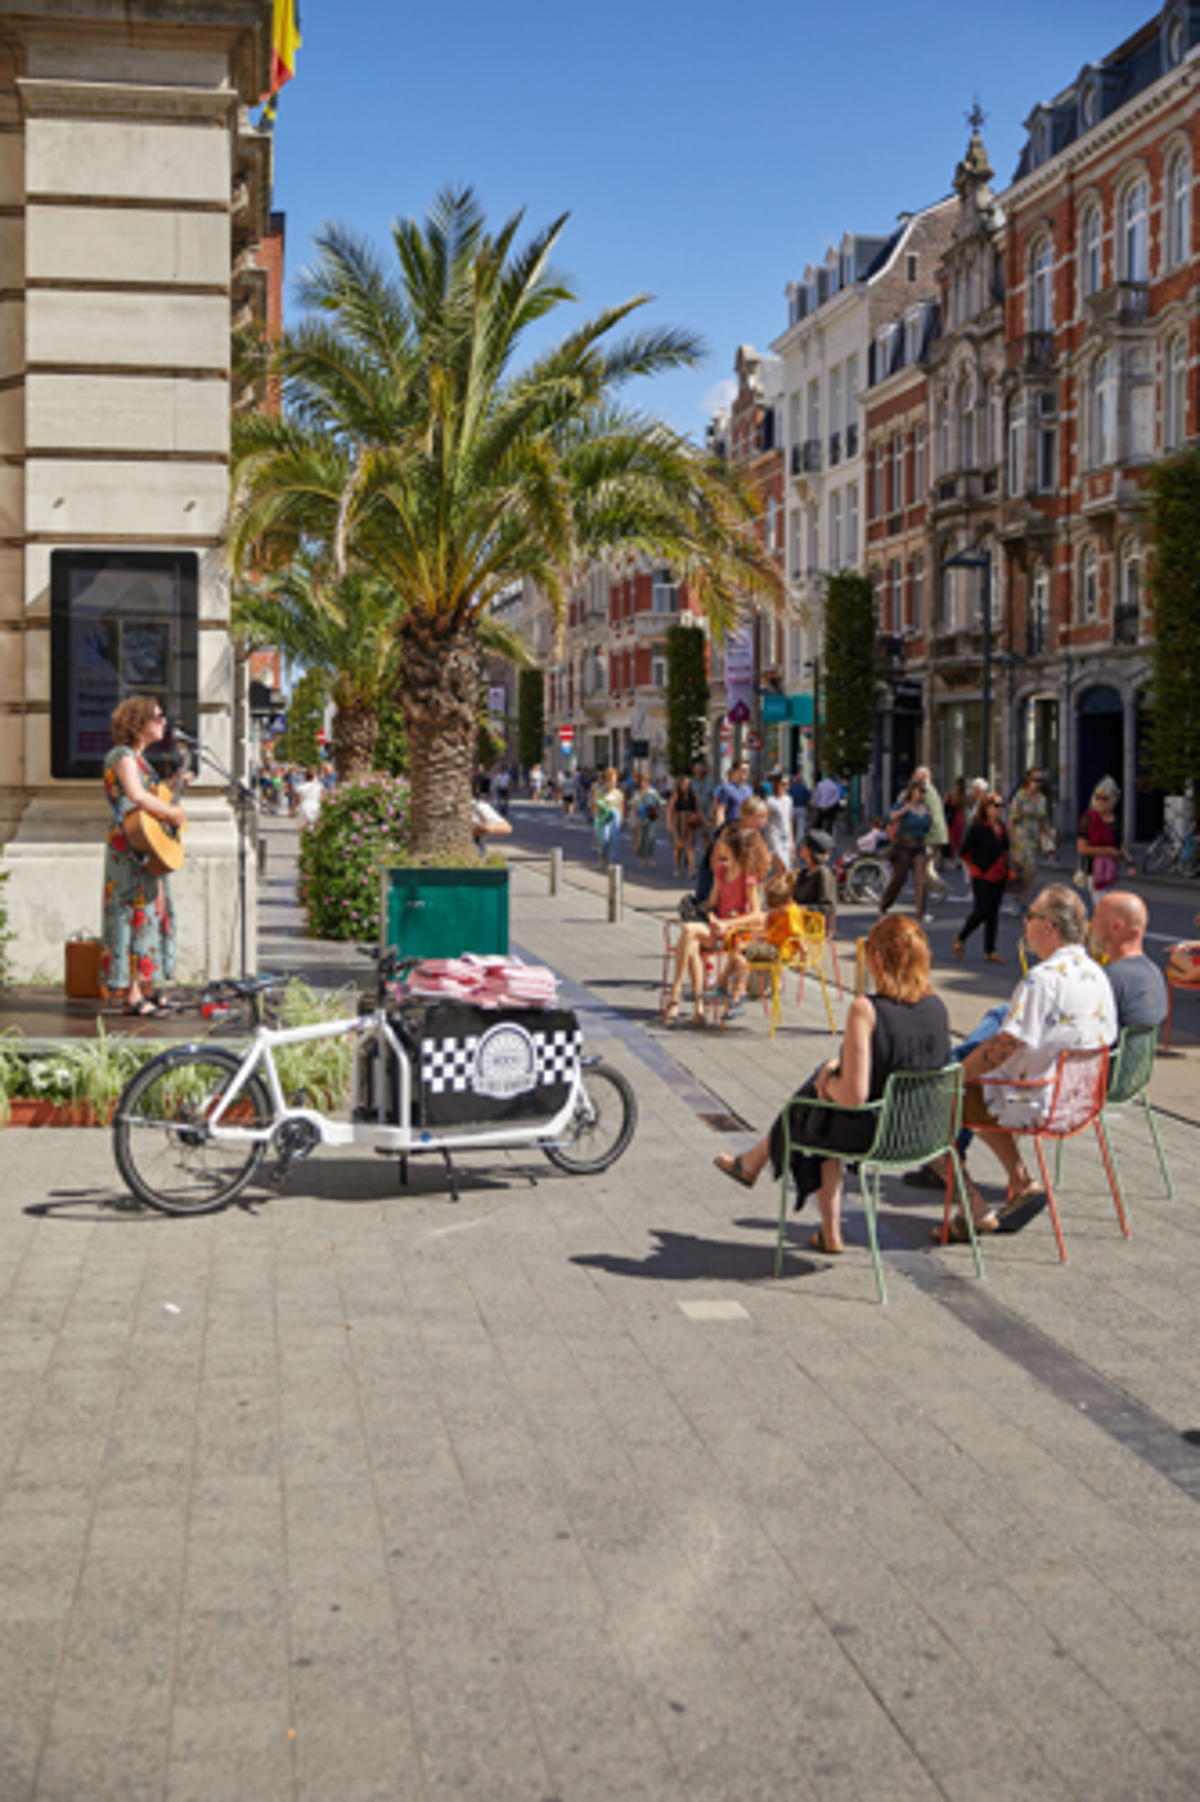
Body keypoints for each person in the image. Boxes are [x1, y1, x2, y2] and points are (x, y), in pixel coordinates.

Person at [712, 914, 950, 1254]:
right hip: (924, 1133)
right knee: (817, 1095)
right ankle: (754, 1162)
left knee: (814, 1109)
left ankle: (814, 1216)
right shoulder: (937, 1007)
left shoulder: (866, 1009)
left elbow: (854, 1097)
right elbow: (905, 1066)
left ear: (878, 959)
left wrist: (827, 1081)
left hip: (877, 1135)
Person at [943, 884, 1117, 1238]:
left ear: (1048, 927)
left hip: (1038, 1099)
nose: (1025, 923)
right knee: (977, 1088)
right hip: (1081, 1100)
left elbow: (1008, 1042)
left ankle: (971, 1209)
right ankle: (1020, 1183)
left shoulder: (1044, 979)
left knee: (942, 1099)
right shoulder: (1096, 973)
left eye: (1031, 916)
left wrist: (957, 1075)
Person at [101, 694, 186, 1017]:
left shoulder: (140, 761)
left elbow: (149, 796)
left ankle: (147, 988)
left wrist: (173, 788)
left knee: (151, 911)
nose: (164, 722)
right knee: (133, 912)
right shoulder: (122, 755)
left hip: (142, 845)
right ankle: (132, 994)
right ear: (140, 723)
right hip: (129, 846)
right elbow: (136, 796)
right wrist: (172, 813)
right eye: (158, 716)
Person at [662, 825, 764, 1027]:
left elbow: (757, 915)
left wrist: (725, 923)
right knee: (688, 931)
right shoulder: (721, 869)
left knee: (689, 943)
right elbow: (711, 902)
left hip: (736, 932)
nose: (720, 845)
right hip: (718, 928)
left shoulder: (747, 875)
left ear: (733, 847)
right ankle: (679, 994)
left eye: (724, 841)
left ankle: (687, 1004)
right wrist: (708, 915)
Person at [1090, 890, 1168, 1028]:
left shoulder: (1109, 978)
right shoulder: (1155, 973)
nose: (1092, 923)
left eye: (1097, 916)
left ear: (1116, 926)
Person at [952, 791, 1009, 963]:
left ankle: (990, 950)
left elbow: (1005, 850)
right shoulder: (977, 828)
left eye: (1001, 806)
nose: (999, 809)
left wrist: (1009, 869)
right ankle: (961, 937)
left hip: (999, 874)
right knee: (982, 910)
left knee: (993, 913)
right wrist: (975, 868)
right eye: (996, 805)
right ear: (986, 807)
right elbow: (965, 852)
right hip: (982, 874)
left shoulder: (1002, 827)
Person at [879, 778, 932, 917]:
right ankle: (885, 903)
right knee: (899, 878)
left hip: (919, 845)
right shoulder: (903, 805)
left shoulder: (925, 809)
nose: (921, 794)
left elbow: (928, 828)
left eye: (923, 791)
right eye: (919, 790)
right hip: (903, 845)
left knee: (921, 880)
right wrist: (902, 811)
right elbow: (887, 818)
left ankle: (921, 912)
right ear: (912, 791)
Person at [1077, 778, 1134, 902]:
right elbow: (1082, 848)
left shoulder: (1116, 820)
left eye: (1104, 798)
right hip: (1093, 871)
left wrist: (1130, 863)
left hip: (1111, 869)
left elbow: (1119, 845)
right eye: (1097, 797)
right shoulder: (1088, 818)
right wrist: (1106, 851)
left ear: (1113, 800)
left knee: (1107, 907)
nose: (1100, 801)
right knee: (1102, 906)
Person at [1008, 769, 1051, 905]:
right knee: (1030, 869)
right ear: (1028, 780)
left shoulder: (1042, 799)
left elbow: (1043, 820)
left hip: (1034, 838)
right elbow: (1012, 820)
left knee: (1029, 872)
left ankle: (1019, 898)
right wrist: (1009, 841)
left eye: (1040, 781)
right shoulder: (1020, 797)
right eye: (1035, 780)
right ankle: (1024, 899)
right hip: (1020, 838)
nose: (1038, 783)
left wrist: (1050, 837)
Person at [912, 766, 948, 901]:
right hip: (937, 834)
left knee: (924, 866)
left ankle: (942, 888)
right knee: (926, 865)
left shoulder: (924, 790)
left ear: (921, 777)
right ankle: (924, 893)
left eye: (915, 776)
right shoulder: (932, 789)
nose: (914, 779)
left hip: (931, 835)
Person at [791, 828, 838, 923]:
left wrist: (806, 908)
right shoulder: (803, 873)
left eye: (804, 845)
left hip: (814, 929)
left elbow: (829, 907)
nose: (801, 847)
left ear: (811, 851)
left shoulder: (823, 873)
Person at [667, 772, 704, 878]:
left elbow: (698, 809)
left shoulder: (693, 795)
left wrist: (702, 820)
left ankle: (692, 869)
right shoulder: (676, 795)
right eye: (684, 783)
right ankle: (677, 868)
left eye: (688, 784)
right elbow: (670, 810)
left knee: (690, 846)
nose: (686, 786)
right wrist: (669, 823)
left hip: (690, 822)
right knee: (678, 847)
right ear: (680, 784)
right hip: (679, 822)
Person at [592, 765, 624, 868]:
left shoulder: (619, 793)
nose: (613, 783)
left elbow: (621, 806)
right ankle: (602, 858)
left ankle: (612, 862)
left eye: (615, 780)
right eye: (611, 780)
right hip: (604, 815)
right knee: (604, 839)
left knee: (615, 839)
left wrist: (622, 819)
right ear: (607, 781)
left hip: (615, 816)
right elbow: (596, 806)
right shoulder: (601, 792)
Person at [764, 772, 795, 873]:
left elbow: (789, 820)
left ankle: (782, 888)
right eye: (783, 783)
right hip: (774, 837)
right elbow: (764, 820)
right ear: (777, 784)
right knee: (781, 867)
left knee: (787, 867)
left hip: (786, 838)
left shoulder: (789, 800)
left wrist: (792, 840)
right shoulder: (770, 801)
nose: (785, 786)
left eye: (787, 784)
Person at [632, 771, 664, 866]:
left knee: (651, 838)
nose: (644, 784)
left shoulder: (653, 793)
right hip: (641, 819)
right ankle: (642, 858)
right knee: (641, 839)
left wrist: (665, 811)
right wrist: (634, 819)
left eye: (646, 782)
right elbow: (634, 806)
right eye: (642, 782)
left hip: (651, 818)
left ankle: (650, 856)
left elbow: (660, 802)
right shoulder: (637, 793)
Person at [713, 760, 753, 828]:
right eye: (743, 770)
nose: (746, 772)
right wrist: (720, 830)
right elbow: (720, 811)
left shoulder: (749, 789)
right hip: (732, 828)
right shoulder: (726, 788)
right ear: (735, 771)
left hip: (746, 829)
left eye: (747, 770)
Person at [788, 770, 811, 847]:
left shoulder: (791, 788)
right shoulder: (804, 788)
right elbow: (808, 796)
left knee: (791, 824)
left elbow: (788, 797)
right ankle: (798, 841)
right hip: (802, 807)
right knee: (801, 825)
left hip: (793, 807)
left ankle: (791, 839)